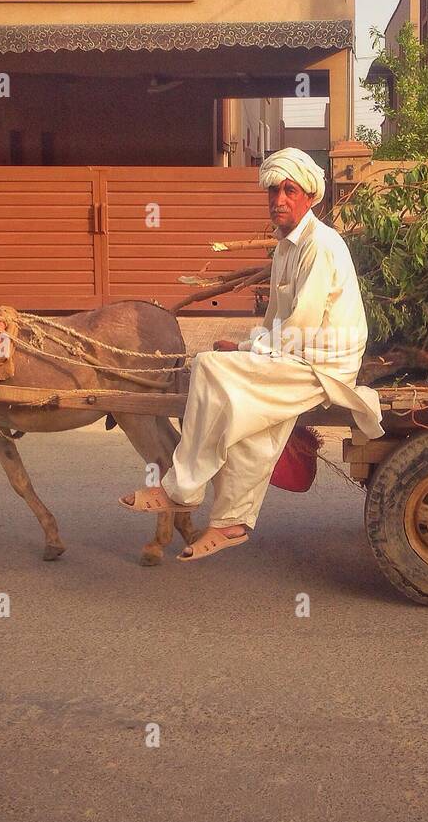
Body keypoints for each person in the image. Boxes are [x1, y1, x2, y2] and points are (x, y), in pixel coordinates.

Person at [120, 148, 383, 561]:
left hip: (323, 364)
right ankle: (232, 523)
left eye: (289, 190)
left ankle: (182, 489)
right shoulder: (284, 249)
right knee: (243, 411)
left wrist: (247, 350)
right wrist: (246, 347)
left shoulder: (321, 246)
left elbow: (301, 325)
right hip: (298, 356)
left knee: (208, 366)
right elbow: (276, 321)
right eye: (273, 191)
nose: (279, 199)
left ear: (309, 197)